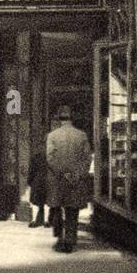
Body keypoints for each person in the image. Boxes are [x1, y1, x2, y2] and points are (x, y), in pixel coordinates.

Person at [45, 106, 94, 253]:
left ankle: (59, 237)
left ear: (59, 119)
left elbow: (50, 158)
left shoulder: (52, 136)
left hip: (58, 180)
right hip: (75, 180)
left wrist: (62, 173)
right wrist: (78, 174)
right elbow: (87, 158)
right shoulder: (82, 135)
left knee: (57, 208)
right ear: (72, 119)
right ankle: (70, 241)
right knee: (72, 211)